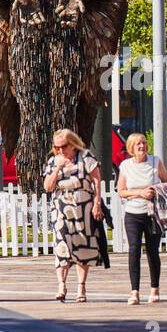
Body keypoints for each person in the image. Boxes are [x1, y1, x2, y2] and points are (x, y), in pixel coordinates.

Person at [43, 128, 105, 303]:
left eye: (64, 146)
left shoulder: (85, 157)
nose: (61, 150)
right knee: (62, 244)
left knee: (82, 245)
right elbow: (47, 187)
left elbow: (96, 181)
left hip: (83, 206)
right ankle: (61, 284)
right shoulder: (53, 161)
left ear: (72, 144)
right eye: (57, 147)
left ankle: (81, 287)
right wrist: (58, 169)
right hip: (61, 208)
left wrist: (97, 203)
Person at [116, 132, 167, 305]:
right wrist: (139, 193)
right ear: (131, 147)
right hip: (133, 213)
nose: (142, 146)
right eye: (138, 144)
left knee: (152, 251)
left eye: (144, 143)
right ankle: (134, 292)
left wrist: (155, 189)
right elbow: (121, 191)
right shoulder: (125, 165)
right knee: (134, 250)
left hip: (152, 213)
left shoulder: (155, 162)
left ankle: (155, 288)